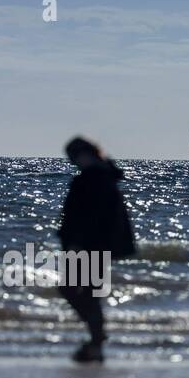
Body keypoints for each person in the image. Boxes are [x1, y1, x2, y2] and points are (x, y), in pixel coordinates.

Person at [56, 136, 136, 363]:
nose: (73, 161)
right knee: (86, 293)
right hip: (97, 245)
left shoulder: (95, 179)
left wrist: (75, 242)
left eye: (74, 156)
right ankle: (96, 341)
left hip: (88, 245)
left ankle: (97, 339)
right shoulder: (103, 176)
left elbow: (88, 217)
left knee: (75, 290)